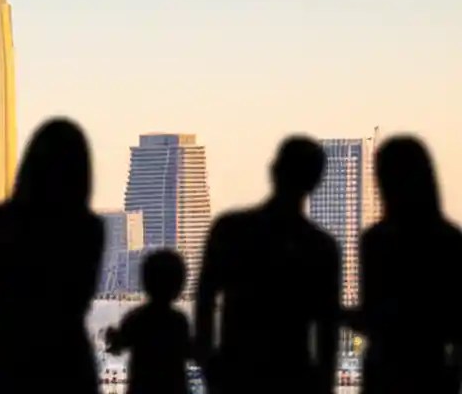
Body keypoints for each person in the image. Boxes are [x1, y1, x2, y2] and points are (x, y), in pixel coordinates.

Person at [194, 136, 341, 394]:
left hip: (237, 371)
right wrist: (324, 384)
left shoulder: (230, 229)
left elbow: (205, 300)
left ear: (274, 170)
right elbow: (327, 330)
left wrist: (209, 363)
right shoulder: (320, 247)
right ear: (316, 181)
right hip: (293, 375)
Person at [0, 118, 104, 394]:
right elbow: (78, 300)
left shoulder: (0, 222)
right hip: (67, 364)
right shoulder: (87, 229)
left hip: (8, 363)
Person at [353, 136, 462, 394]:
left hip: (384, 370)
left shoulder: (376, 239)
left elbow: (371, 314)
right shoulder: (449, 238)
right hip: (432, 370)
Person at [106, 250, 191, 394]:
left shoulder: (136, 318)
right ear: (179, 286)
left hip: (142, 386)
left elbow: (118, 345)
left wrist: (112, 336)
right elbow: (189, 350)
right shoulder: (179, 321)